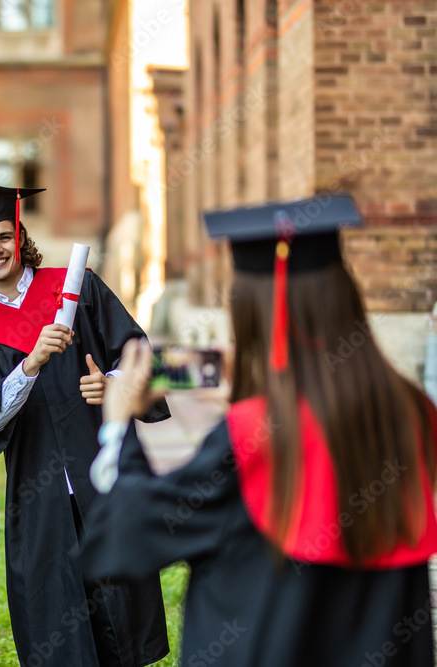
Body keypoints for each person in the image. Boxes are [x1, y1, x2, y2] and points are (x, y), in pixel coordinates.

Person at [80, 194, 437, 665]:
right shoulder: (410, 410)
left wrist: (118, 426)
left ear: (256, 317)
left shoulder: (248, 441)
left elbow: (121, 539)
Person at [0, 183, 169, 666]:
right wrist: (31, 362)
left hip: (102, 469)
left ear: (20, 236)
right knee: (55, 603)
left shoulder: (77, 288)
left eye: (4, 236)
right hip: (38, 492)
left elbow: (145, 356)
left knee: (120, 599)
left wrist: (116, 384)